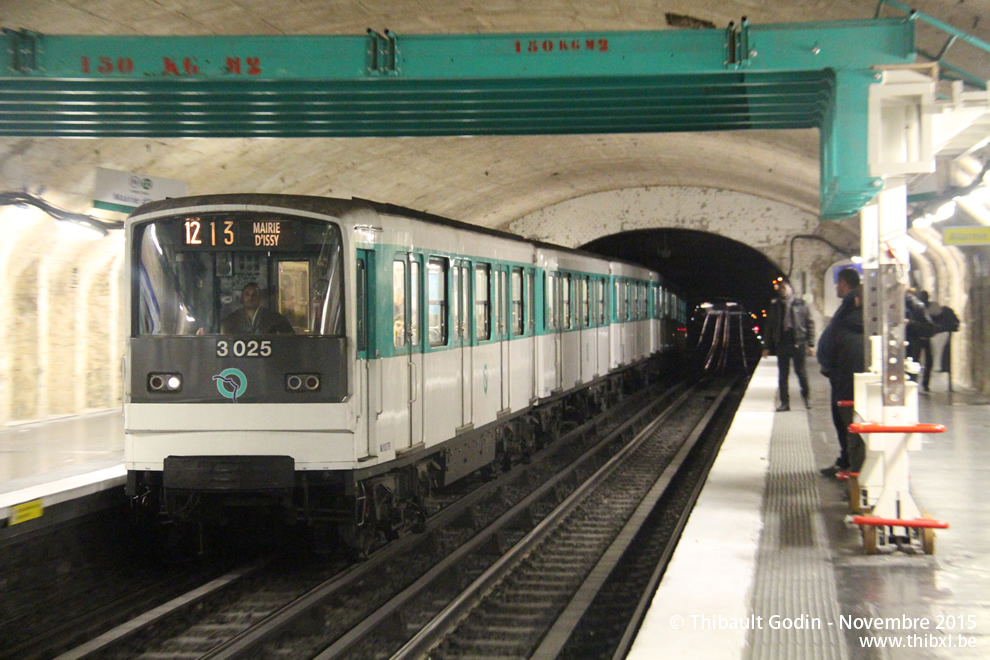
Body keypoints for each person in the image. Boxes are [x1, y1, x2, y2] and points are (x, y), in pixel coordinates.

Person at [816, 268, 865, 477]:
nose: (836, 287)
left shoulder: (851, 306)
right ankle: (847, 461)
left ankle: (853, 467)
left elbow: (839, 333)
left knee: (847, 421)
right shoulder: (849, 306)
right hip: (841, 372)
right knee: (843, 420)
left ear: (844, 283)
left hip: (846, 373)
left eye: (838, 283)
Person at [762, 278, 814, 411]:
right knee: (783, 374)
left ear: (791, 289)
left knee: (800, 371)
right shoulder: (775, 306)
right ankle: (784, 402)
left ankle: (807, 398)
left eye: (785, 288)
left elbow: (809, 324)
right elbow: (769, 327)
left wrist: (811, 344)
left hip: (798, 340)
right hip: (782, 341)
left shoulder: (801, 305)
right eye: (781, 289)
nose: (783, 291)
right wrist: (766, 347)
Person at [221, 282, 294, 335]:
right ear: (242, 298)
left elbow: (289, 339)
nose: (250, 297)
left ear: (260, 298)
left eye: (254, 295)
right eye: (247, 294)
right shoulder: (230, 320)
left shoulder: (275, 319)